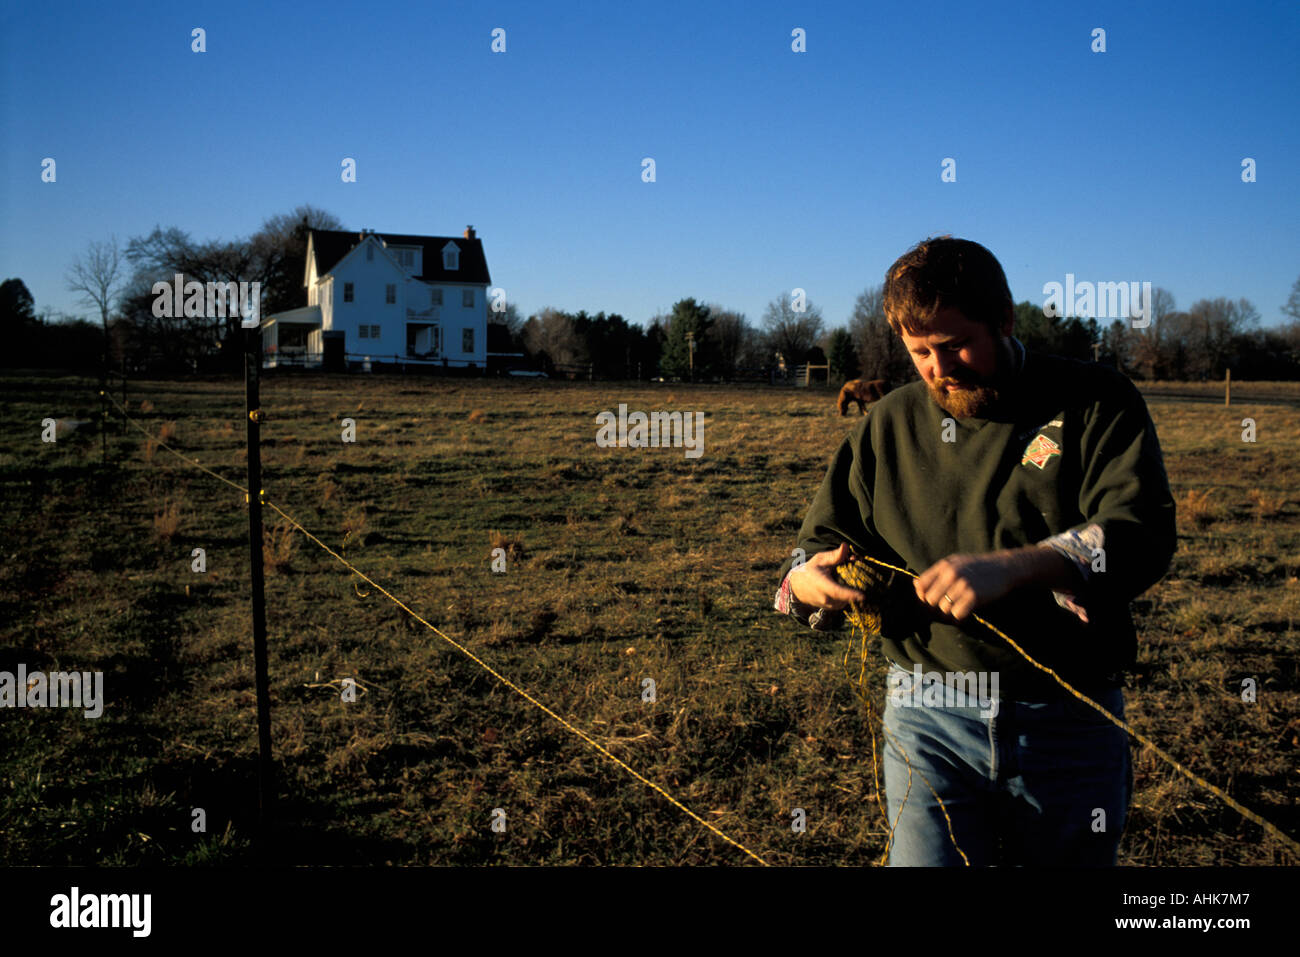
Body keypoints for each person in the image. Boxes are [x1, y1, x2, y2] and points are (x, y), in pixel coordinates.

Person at [773, 236, 1177, 866]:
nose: (940, 368)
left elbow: (1138, 532)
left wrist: (1016, 568)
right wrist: (806, 586)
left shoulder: (1096, 402)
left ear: (1005, 321)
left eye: (956, 343)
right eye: (920, 352)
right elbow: (812, 554)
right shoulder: (888, 424)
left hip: (1066, 712)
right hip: (926, 713)